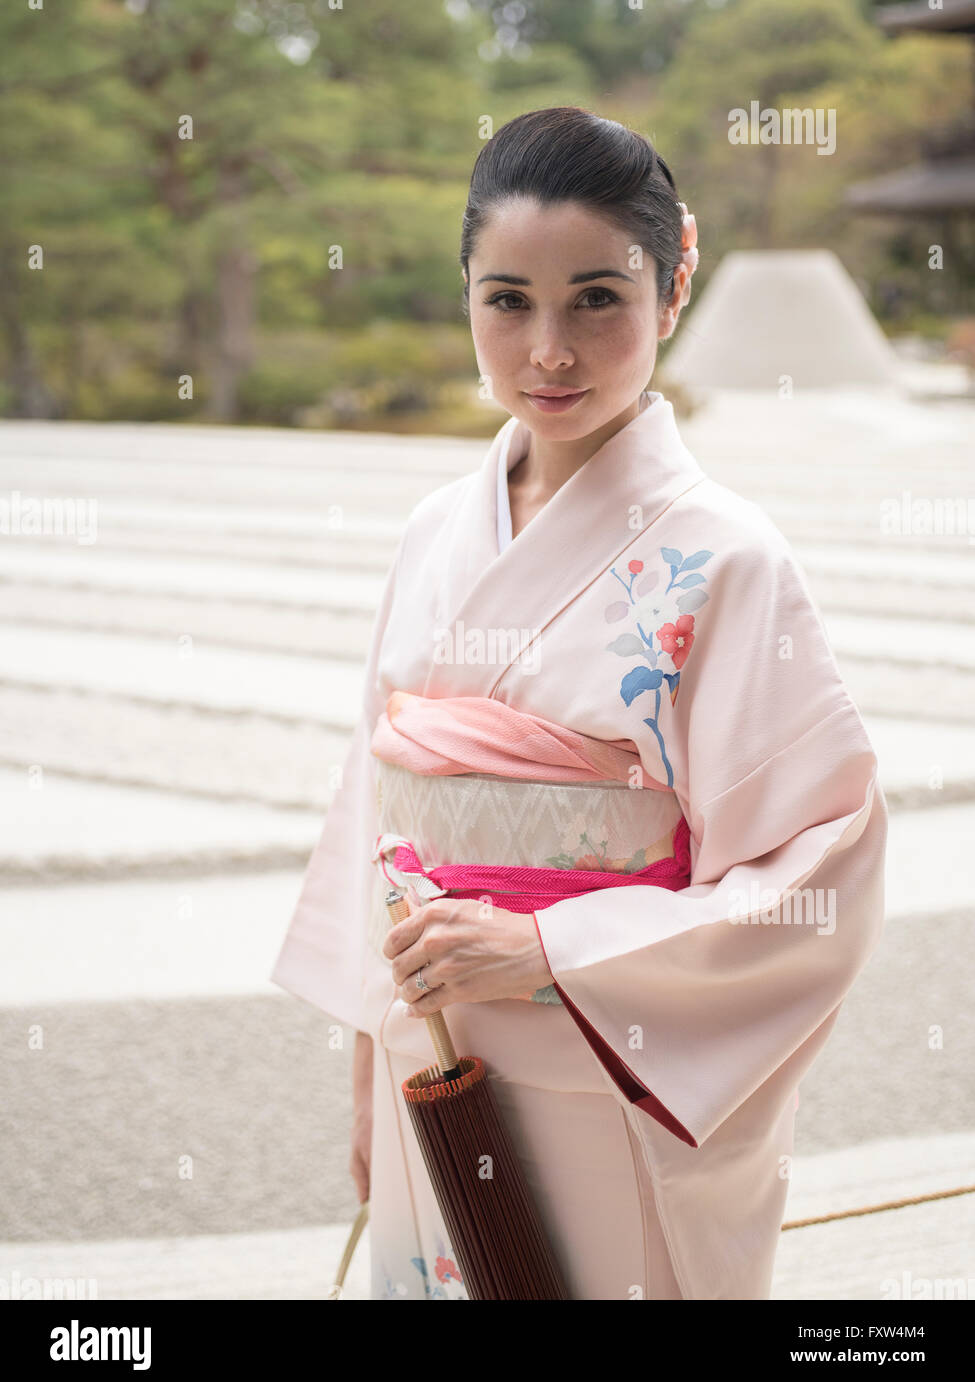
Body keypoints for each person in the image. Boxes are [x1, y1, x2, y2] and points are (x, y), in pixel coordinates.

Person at [270, 106, 887, 1301]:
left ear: (676, 280)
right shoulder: (432, 533)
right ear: (466, 294)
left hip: (613, 1075)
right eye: (508, 300)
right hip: (432, 1057)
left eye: (596, 298)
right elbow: (376, 820)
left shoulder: (727, 561)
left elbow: (824, 866)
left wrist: (550, 945)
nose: (548, 348)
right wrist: (368, 1072)